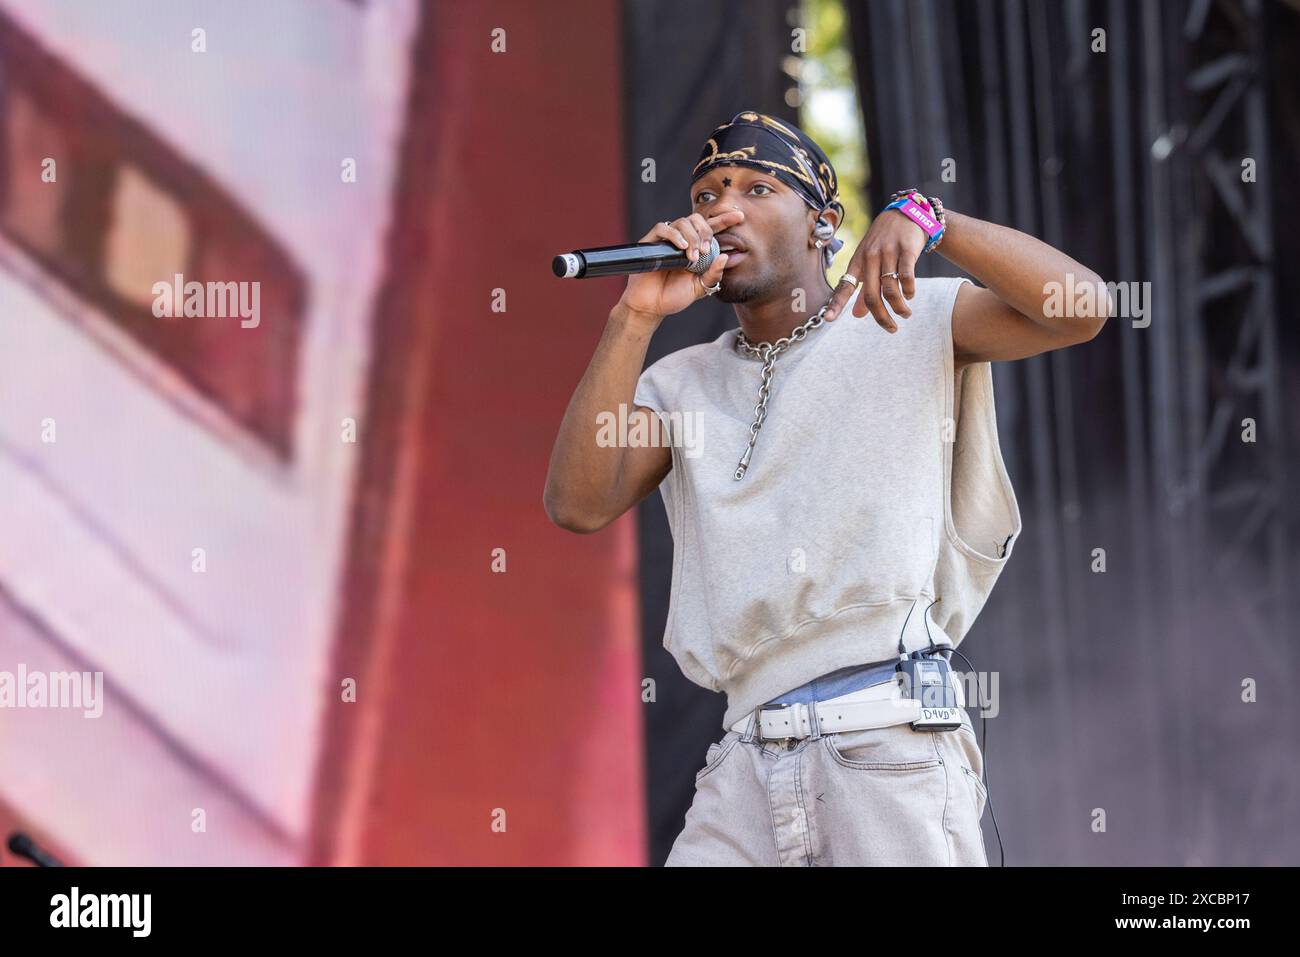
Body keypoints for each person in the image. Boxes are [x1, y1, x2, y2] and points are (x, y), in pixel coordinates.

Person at [543, 110, 1109, 865]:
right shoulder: (679, 385)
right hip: (744, 757)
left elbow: (1085, 307)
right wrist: (634, 313)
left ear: (823, 223)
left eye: (756, 187)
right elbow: (577, 503)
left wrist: (933, 219)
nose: (722, 208)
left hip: (885, 737)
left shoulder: (906, 320)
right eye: (708, 193)